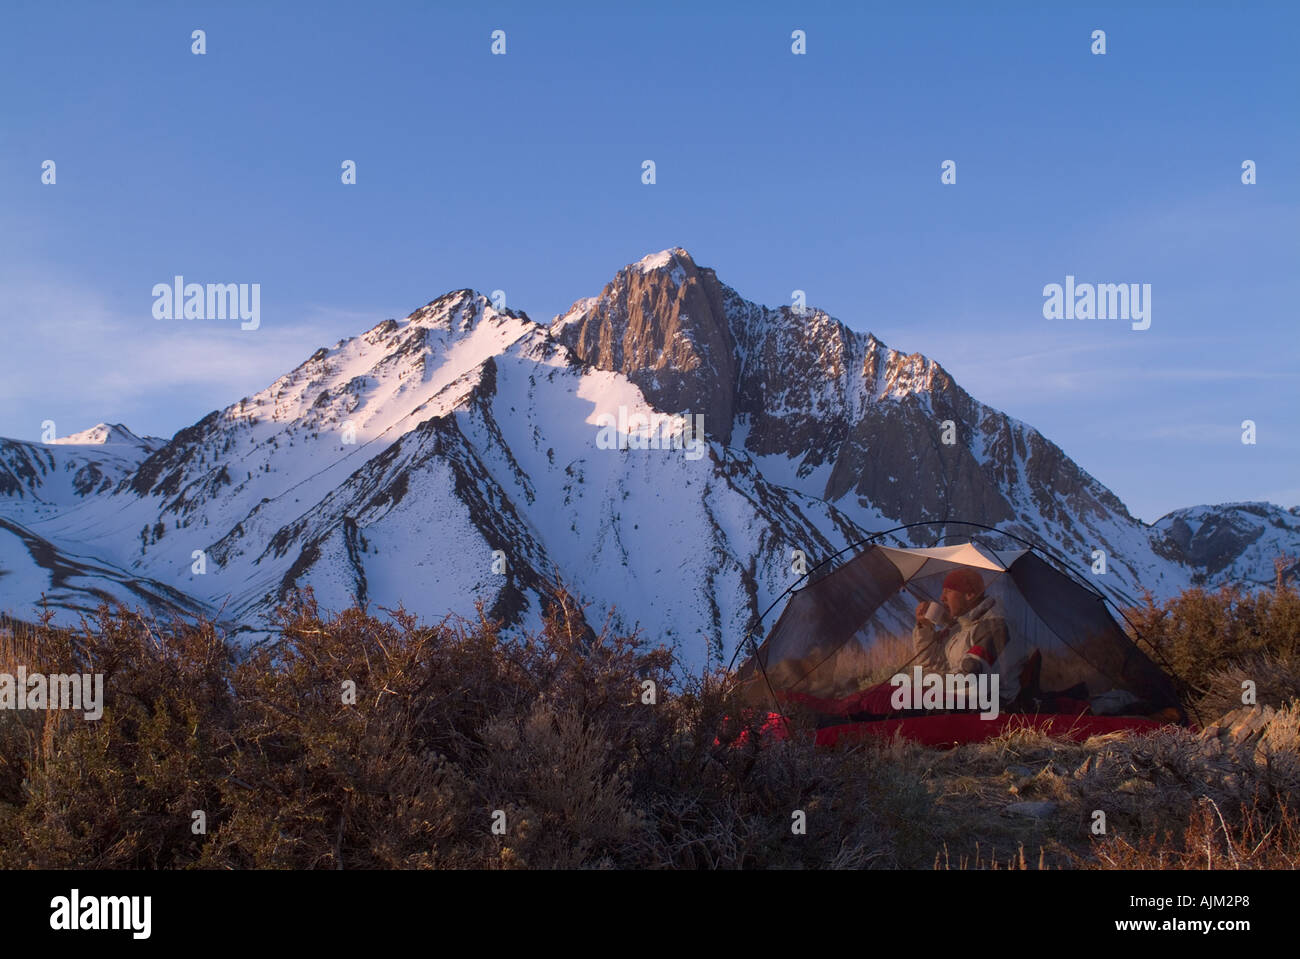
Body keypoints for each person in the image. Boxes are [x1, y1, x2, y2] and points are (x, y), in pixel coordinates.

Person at [912, 567, 1034, 707]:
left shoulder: (995, 628)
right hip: (965, 700)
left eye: (948, 592)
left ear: (969, 594)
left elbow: (970, 678)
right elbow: (932, 663)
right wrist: (925, 626)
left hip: (991, 707)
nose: (941, 598)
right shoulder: (962, 627)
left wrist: (924, 683)